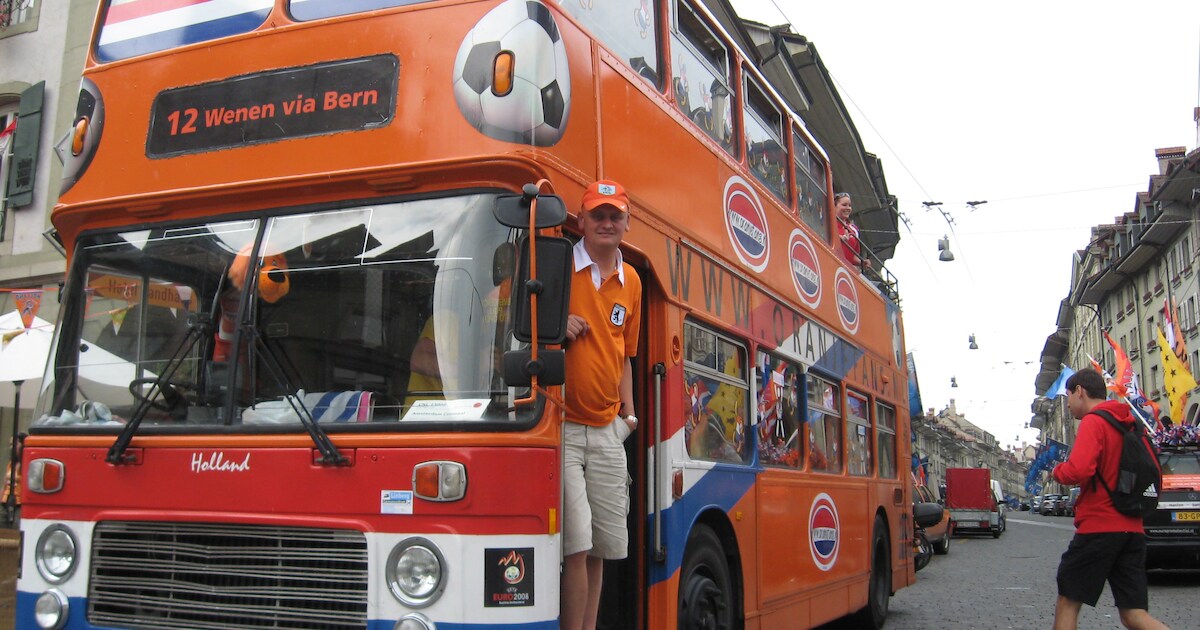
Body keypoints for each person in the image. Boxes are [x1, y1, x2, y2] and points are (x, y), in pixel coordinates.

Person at [560, 179, 642, 630]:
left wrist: (628, 417)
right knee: (576, 546)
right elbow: (518, 329)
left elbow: (626, 355)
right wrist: (556, 328)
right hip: (565, 428)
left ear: (627, 223)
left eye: (615, 216)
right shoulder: (558, 268)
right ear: (582, 222)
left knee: (601, 550)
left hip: (610, 430)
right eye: (598, 215)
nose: (607, 223)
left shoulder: (632, 282)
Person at [1050, 368, 1169, 630]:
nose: (1068, 404)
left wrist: (1057, 471)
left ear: (1080, 391)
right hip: (1132, 528)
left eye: (1068, 396)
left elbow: (1079, 470)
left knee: (1068, 601)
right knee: (1134, 614)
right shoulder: (1129, 422)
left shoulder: (1094, 422)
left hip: (1099, 527)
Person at [834, 192, 869, 269]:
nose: (848, 208)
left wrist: (862, 262)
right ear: (834, 206)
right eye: (844, 205)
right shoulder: (827, 222)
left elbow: (852, 256)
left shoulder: (854, 229)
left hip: (844, 271)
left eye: (849, 205)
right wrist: (838, 238)